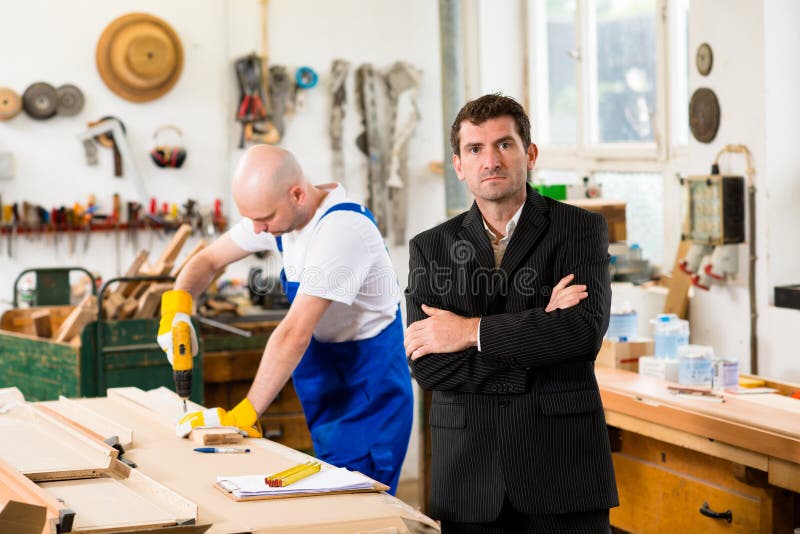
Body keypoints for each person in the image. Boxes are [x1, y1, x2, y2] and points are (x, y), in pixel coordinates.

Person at [404, 94, 618, 532]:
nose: (490, 161)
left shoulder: (579, 229)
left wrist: (469, 332)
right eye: (475, 149)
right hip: (469, 477)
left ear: (530, 154)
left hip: (562, 471)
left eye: (504, 144)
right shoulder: (431, 248)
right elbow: (427, 365)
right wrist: (540, 334)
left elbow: (581, 332)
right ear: (459, 165)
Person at [157, 145, 413, 494]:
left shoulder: (342, 229)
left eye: (264, 219)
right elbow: (208, 260)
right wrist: (177, 310)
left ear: (297, 194)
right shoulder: (278, 216)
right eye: (252, 219)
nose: (258, 229)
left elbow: (294, 332)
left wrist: (245, 414)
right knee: (334, 502)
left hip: (368, 396)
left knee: (360, 508)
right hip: (329, 388)